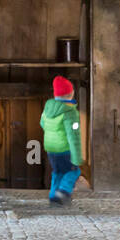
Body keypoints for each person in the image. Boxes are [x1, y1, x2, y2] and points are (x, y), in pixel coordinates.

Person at [41, 75, 83, 207]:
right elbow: (73, 136)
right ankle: (63, 192)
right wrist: (77, 157)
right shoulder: (70, 112)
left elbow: (42, 123)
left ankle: (53, 197)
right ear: (71, 94)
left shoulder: (48, 108)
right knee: (73, 171)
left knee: (58, 172)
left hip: (50, 148)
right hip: (64, 149)